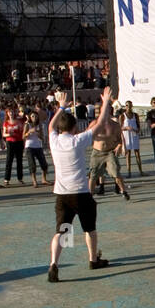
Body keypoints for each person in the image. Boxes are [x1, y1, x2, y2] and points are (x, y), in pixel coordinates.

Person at [46, 87, 116, 283]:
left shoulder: (54, 141)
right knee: (89, 229)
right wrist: (106, 102)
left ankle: (54, 264)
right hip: (81, 192)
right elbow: (101, 123)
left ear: (61, 129)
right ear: (75, 128)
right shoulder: (77, 140)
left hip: (62, 193)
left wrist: (61, 107)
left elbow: (50, 127)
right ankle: (93, 260)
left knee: (62, 231)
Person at [1, 103, 26, 186]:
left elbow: (22, 132)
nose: (11, 113)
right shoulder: (6, 123)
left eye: (12, 112)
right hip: (10, 142)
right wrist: (9, 134)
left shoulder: (19, 122)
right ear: (7, 113)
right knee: (9, 160)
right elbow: (4, 134)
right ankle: (6, 179)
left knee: (19, 160)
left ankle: (20, 178)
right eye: (9, 112)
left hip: (18, 141)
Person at [23, 111, 49, 187]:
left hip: (38, 146)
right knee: (32, 165)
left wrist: (39, 135)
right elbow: (23, 137)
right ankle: (34, 181)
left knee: (44, 164)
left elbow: (42, 137)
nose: (34, 118)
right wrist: (28, 132)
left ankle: (44, 179)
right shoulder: (27, 125)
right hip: (29, 146)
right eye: (33, 116)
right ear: (30, 117)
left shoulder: (39, 125)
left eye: (36, 116)